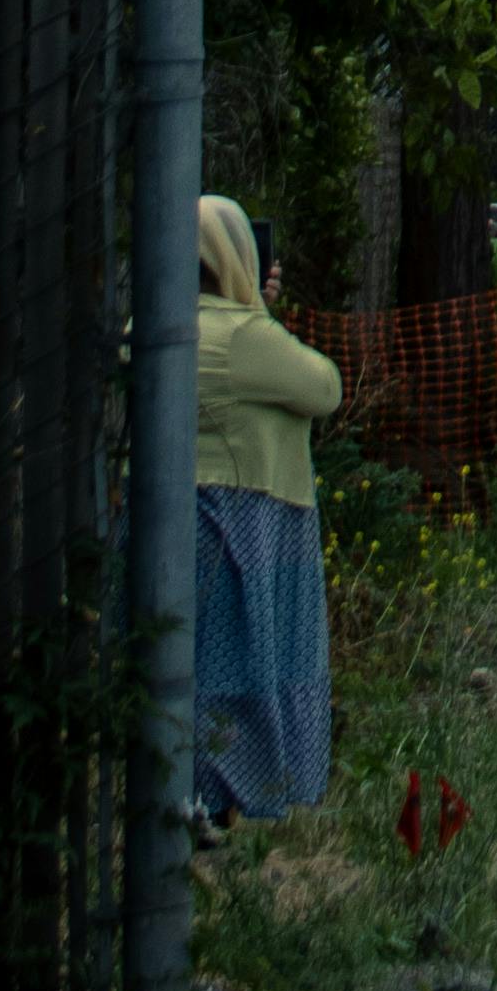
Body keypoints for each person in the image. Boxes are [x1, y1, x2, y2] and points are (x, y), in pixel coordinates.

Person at [191, 196, 343, 831]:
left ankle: (187, 801)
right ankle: (230, 796)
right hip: (246, 525)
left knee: (193, 667)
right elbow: (322, 386)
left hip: (186, 518)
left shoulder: (159, 323)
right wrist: (259, 310)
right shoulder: (243, 334)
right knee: (243, 670)